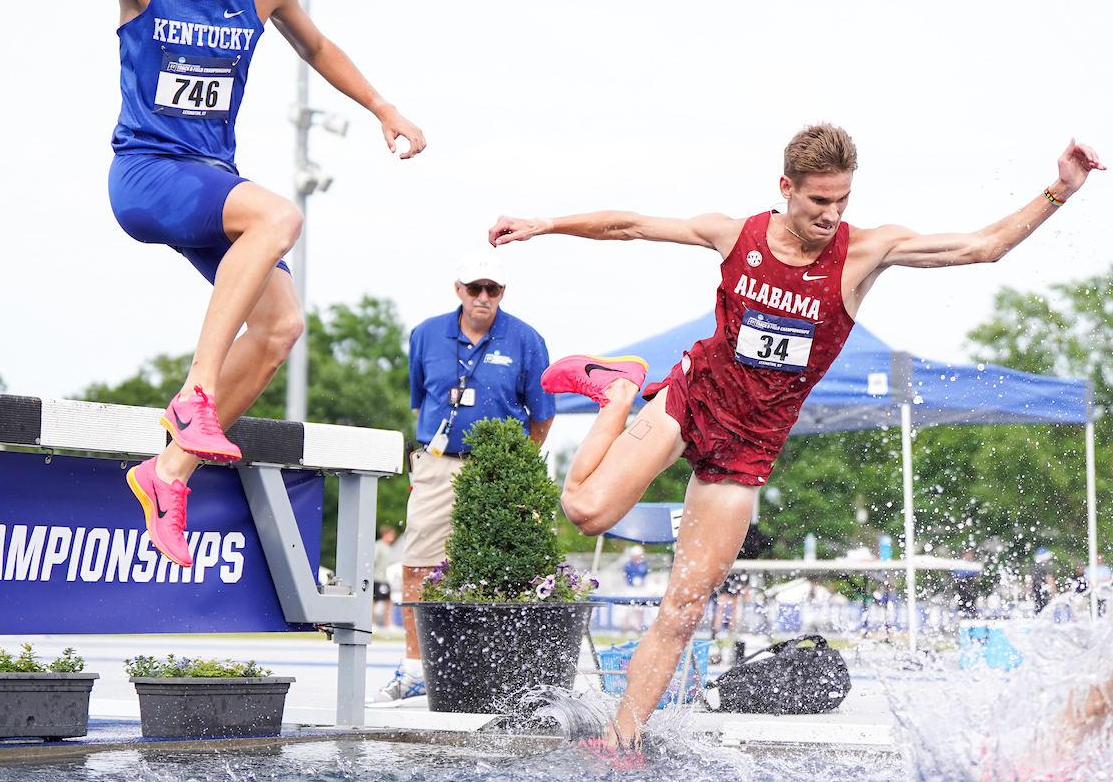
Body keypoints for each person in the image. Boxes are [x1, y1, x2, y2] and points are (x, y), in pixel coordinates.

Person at [488, 124, 1104, 748]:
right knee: (585, 511)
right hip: (691, 399)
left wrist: (1061, 188)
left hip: (747, 450)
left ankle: (621, 741)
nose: (831, 215)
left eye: (842, 200)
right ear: (786, 188)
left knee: (684, 608)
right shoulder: (736, 235)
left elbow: (984, 246)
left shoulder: (865, 252)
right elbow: (630, 226)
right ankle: (621, 391)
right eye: (818, 201)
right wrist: (545, 224)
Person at [0, 0, 424, 569]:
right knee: (280, 216)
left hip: (213, 181)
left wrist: (383, 107)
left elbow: (317, 46)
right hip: (148, 174)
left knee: (281, 326)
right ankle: (197, 393)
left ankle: (167, 473)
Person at [368, 249, 555, 705]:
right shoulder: (425, 334)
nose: (483, 297)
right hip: (439, 462)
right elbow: (422, 401)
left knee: (511, 566)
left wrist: (516, 463)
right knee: (418, 561)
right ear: (459, 290)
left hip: (500, 467)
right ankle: (415, 668)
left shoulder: (527, 339)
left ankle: (507, 672)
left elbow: (543, 415)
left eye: (492, 289)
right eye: (474, 288)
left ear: (503, 292)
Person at [373, 525, 399, 632]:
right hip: (376, 578)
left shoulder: (389, 548)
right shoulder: (378, 546)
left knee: (388, 601)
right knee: (374, 602)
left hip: (384, 578)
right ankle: (372, 623)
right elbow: (373, 560)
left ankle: (388, 624)